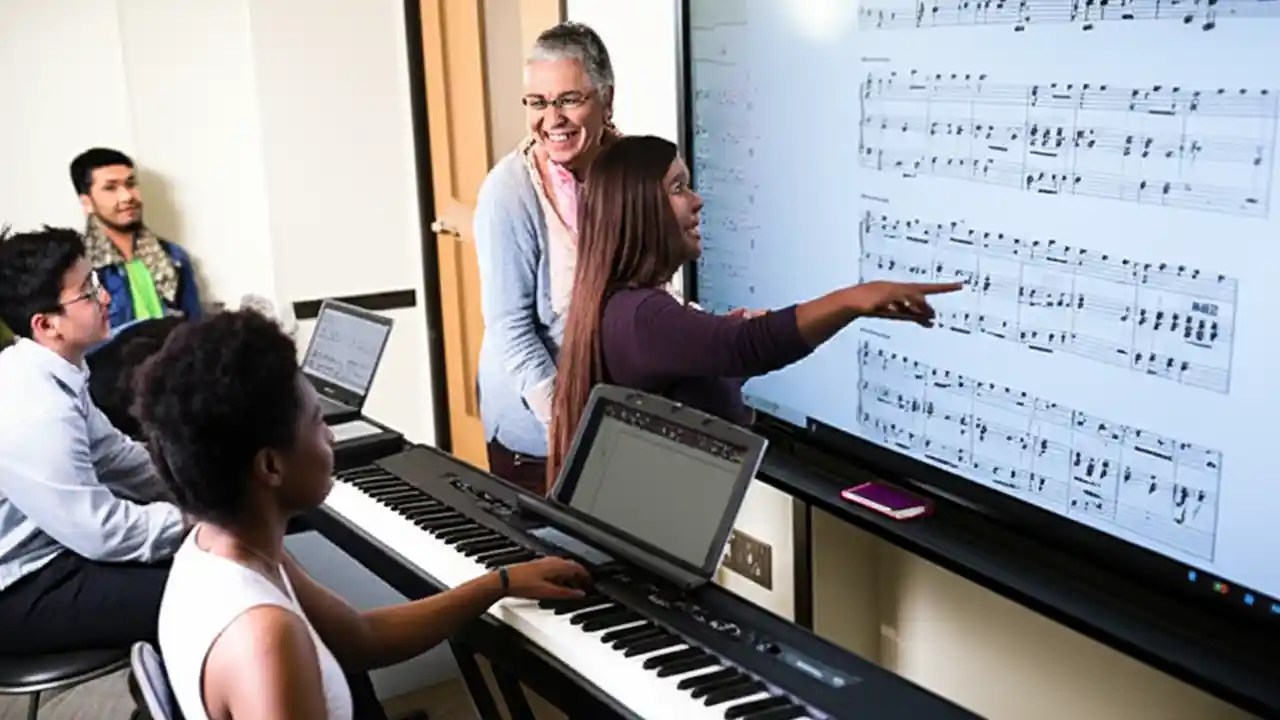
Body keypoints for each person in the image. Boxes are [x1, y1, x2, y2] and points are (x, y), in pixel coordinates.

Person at [135, 309, 591, 720]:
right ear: (270, 466)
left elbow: (361, 639)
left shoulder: (215, 546)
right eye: (317, 421)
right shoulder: (265, 638)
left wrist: (499, 583)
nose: (331, 437)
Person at [547, 136, 965, 479]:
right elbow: (748, 346)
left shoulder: (626, 308)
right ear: (637, 209)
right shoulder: (641, 318)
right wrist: (856, 299)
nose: (697, 201)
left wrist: (720, 339)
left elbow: (718, 357)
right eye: (677, 188)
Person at [0, 226, 186, 654]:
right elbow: (101, 532)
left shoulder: (59, 373)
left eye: (96, 283)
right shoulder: (35, 407)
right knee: (213, 600)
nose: (105, 298)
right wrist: (198, 520)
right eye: (88, 293)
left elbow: (119, 457)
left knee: (220, 568)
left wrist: (202, 486)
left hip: (59, 548)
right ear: (46, 324)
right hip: (22, 588)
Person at [474, 21, 620, 494]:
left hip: (615, 421)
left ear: (606, 98)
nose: (551, 118)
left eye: (569, 100)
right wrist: (573, 429)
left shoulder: (634, 169)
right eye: (538, 103)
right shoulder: (509, 191)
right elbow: (510, 329)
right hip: (539, 435)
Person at [71, 147, 203, 330]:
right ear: (87, 202)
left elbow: (195, 327)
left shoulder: (173, 257)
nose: (127, 196)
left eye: (130, 184)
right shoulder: (80, 269)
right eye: (111, 188)